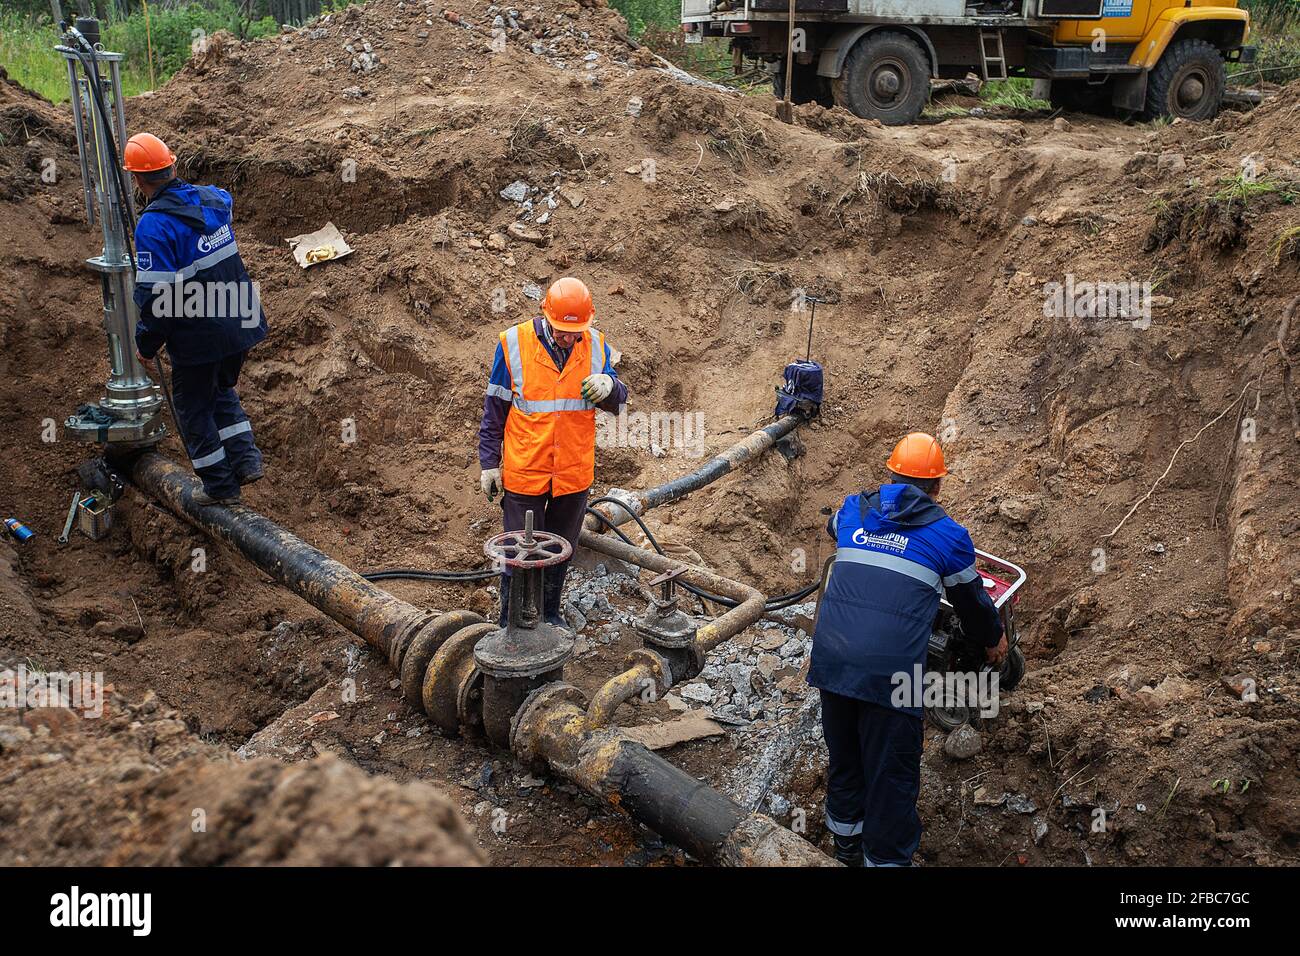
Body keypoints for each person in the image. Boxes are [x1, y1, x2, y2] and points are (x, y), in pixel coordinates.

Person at [807, 432, 1006, 866]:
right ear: (938, 487)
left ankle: (845, 851)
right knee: (892, 778)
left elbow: (835, 524)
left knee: (846, 763)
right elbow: (972, 606)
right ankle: (885, 861)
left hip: (832, 661)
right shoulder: (949, 536)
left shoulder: (851, 510)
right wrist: (993, 640)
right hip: (891, 677)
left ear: (891, 473)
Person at [126, 132, 267, 507]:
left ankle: (220, 486)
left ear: (138, 180)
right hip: (240, 317)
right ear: (173, 165)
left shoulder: (153, 227)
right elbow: (223, 210)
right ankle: (246, 460)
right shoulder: (214, 198)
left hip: (202, 334)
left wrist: (146, 343)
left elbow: (157, 298)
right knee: (220, 390)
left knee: (191, 407)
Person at [477, 277, 627, 626]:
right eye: (561, 330)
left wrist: (610, 386)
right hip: (526, 470)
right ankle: (512, 622)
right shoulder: (514, 344)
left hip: (573, 473)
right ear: (545, 316)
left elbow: (618, 403)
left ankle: (548, 616)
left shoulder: (595, 345)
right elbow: (495, 408)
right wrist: (489, 463)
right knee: (519, 553)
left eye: (575, 332)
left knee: (561, 550)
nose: (568, 338)